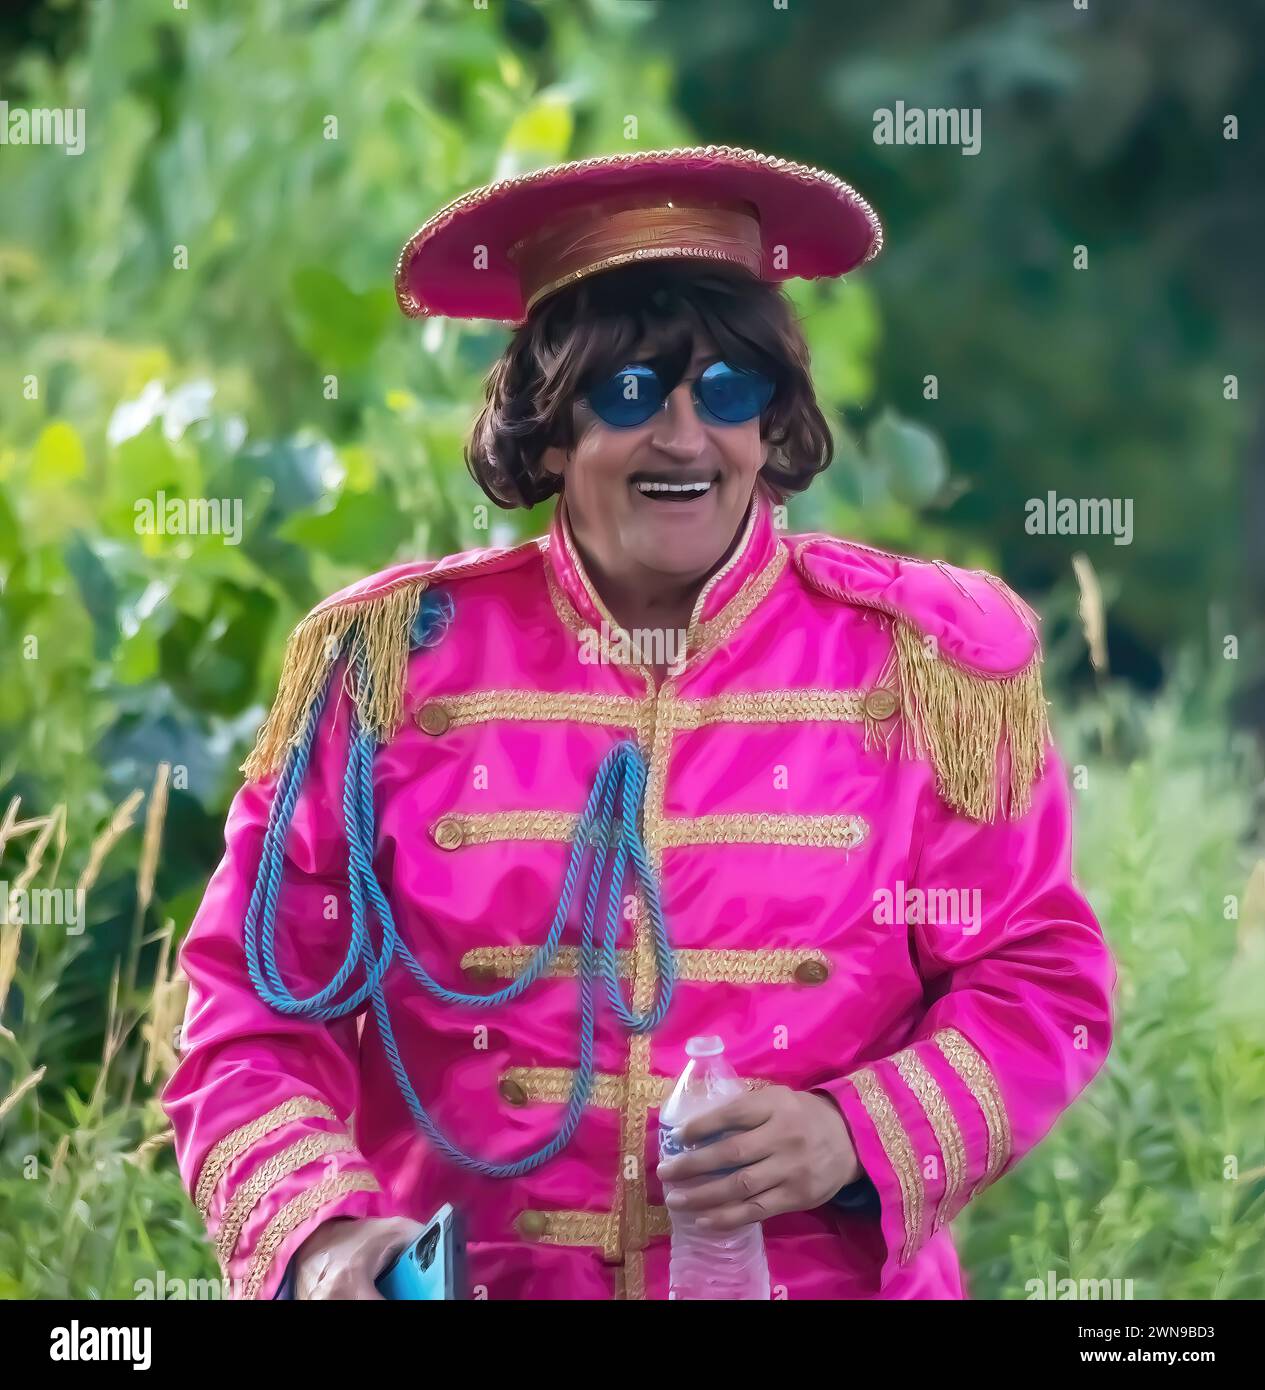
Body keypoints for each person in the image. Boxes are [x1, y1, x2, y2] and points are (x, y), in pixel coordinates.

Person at [161, 144, 1116, 1301]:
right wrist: (321, 1239)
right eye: (627, 393)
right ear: (549, 431)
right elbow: (252, 1010)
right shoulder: (384, 670)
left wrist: (853, 1135)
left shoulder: (923, 666)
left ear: (771, 426)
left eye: (726, 393)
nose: (681, 437)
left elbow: (1040, 983)